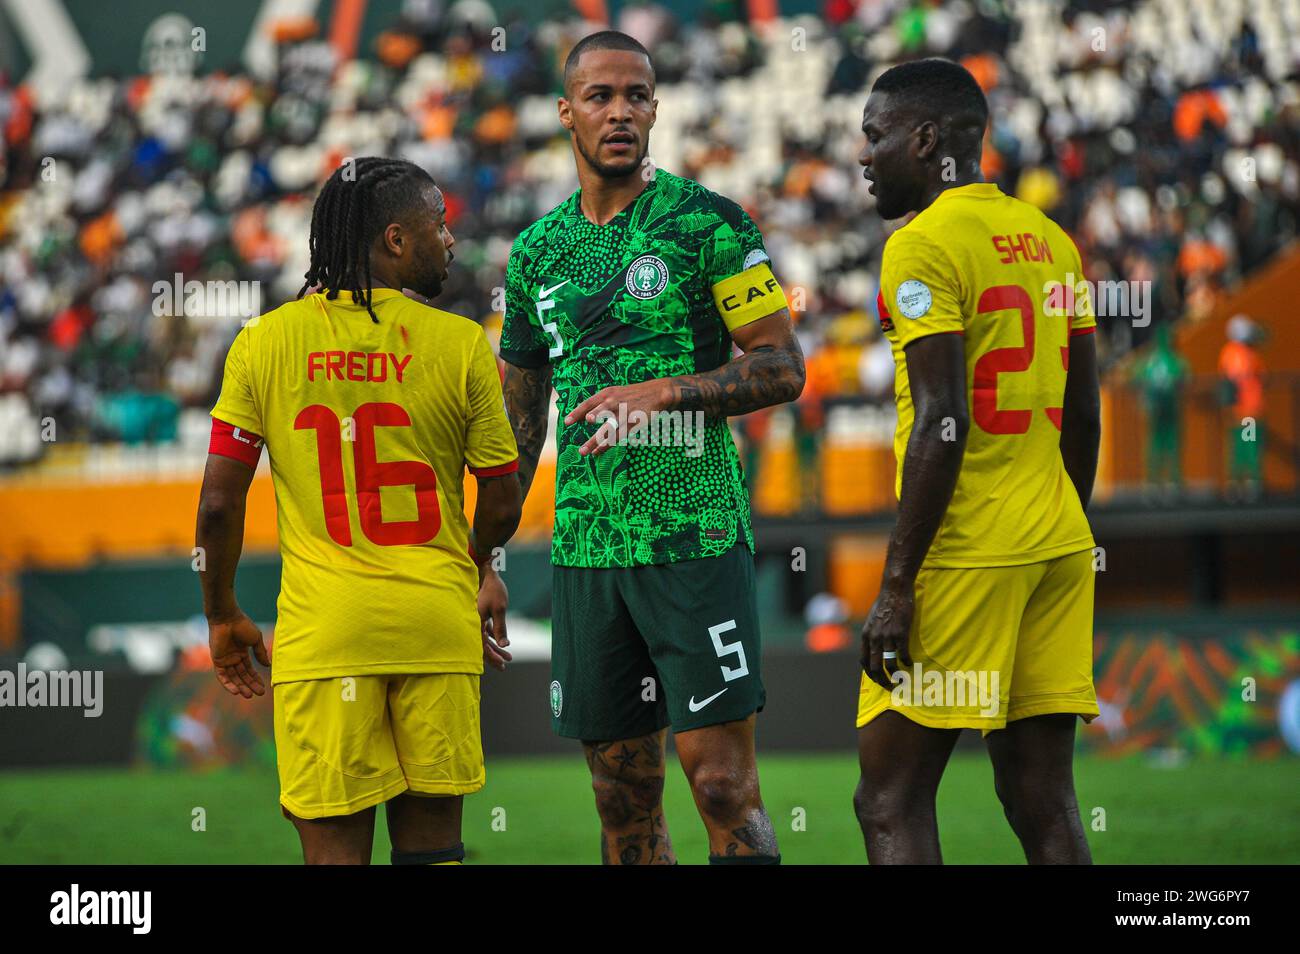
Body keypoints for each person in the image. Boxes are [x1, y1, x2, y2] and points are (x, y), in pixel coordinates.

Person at [498, 31, 805, 865]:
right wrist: (484, 557)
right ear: (567, 113)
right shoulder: (534, 256)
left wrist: (668, 390)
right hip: (588, 552)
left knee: (721, 787)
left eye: (638, 94)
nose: (621, 111)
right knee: (620, 801)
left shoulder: (711, 225)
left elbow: (783, 367)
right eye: (601, 96)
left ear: (657, 108)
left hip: (695, 538)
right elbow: (519, 430)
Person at [195, 157, 522, 865]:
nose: (452, 242)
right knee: (433, 853)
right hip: (436, 627)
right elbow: (501, 494)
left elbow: (220, 505)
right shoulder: (461, 343)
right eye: (440, 226)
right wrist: (479, 567)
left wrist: (222, 612)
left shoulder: (263, 343)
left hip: (325, 636)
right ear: (398, 240)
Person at [854, 59, 1101, 864]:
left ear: (926, 141)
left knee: (890, 798)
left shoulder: (920, 247)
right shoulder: (1054, 240)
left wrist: (897, 584)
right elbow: (1085, 413)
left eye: (875, 134)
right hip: (1056, 542)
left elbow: (942, 419)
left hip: (967, 553)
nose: (863, 155)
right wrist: (1065, 520)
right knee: (1045, 802)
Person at [1134, 322, 1188, 494]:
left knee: (1155, 443)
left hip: (1155, 409)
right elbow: (1185, 377)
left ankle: (1153, 480)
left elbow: (1136, 377)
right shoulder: (1173, 360)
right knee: (1170, 442)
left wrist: (1144, 397)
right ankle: (1172, 479)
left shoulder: (1150, 361)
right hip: (1169, 408)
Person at [1218, 314, 1266, 498]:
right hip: (1248, 409)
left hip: (1240, 410)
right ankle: (1248, 481)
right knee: (1248, 445)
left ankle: (1238, 482)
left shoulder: (1229, 352)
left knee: (1241, 444)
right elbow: (1259, 374)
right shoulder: (1243, 353)